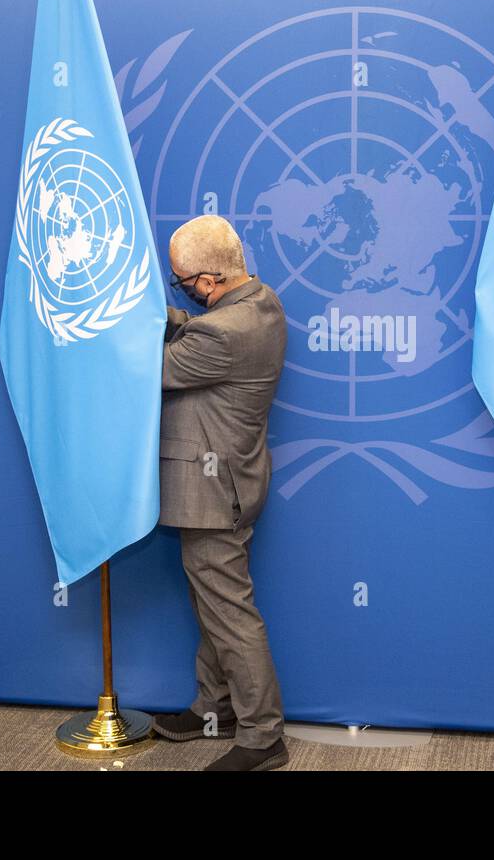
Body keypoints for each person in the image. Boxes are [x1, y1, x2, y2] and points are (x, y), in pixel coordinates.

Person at [150, 214, 289, 772]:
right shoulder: (260, 303)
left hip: (211, 494)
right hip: (233, 483)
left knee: (229, 614)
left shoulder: (223, 335)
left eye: (182, 283)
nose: (182, 292)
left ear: (209, 279)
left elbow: (147, 371)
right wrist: (151, 310)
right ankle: (216, 708)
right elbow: (194, 324)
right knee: (215, 604)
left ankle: (262, 737)